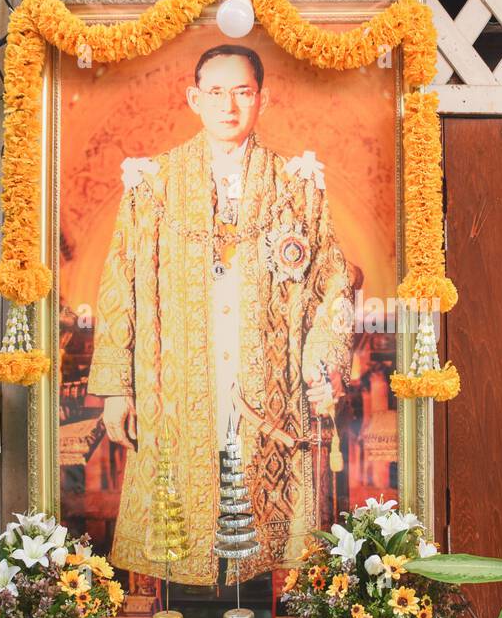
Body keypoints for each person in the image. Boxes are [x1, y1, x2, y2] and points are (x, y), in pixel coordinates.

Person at [89, 44, 354, 585]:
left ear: (262, 98)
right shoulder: (154, 183)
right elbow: (121, 282)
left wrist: (323, 363)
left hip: (265, 379)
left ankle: (253, 615)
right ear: (194, 98)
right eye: (216, 93)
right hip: (179, 382)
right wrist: (117, 389)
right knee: (184, 517)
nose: (228, 107)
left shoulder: (296, 183)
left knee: (255, 522)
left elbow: (331, 280)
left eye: (242, 92)